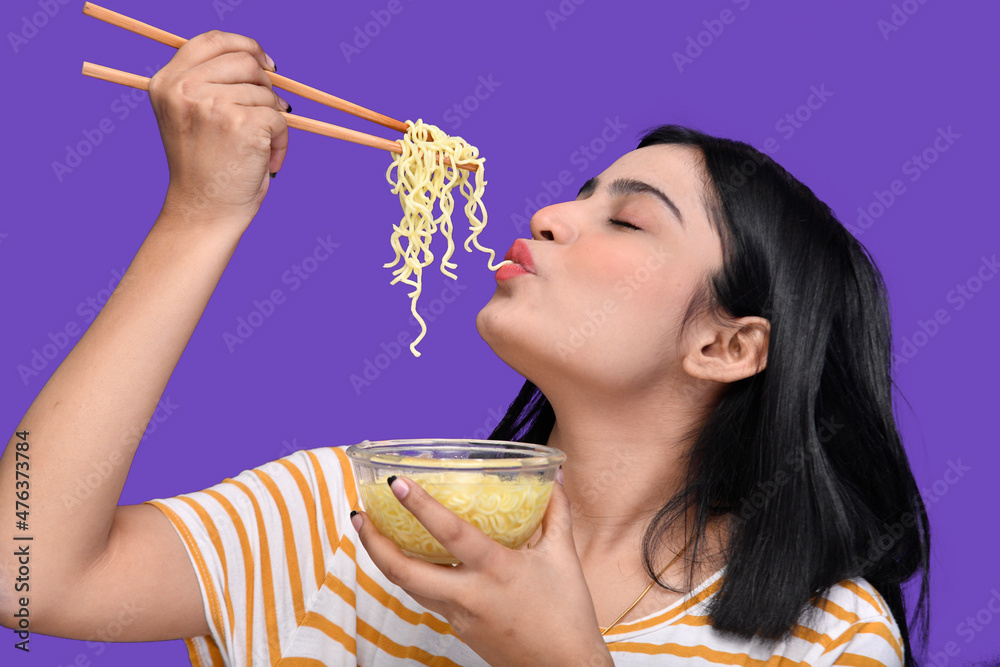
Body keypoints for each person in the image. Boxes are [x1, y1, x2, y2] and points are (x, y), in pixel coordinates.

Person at [0, 30, 930, 666]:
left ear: (728, 344)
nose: (551, 217)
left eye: (631, 220)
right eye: (583, 189)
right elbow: (24, 567)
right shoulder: (354, 513)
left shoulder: (827, 635)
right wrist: (200, 215)